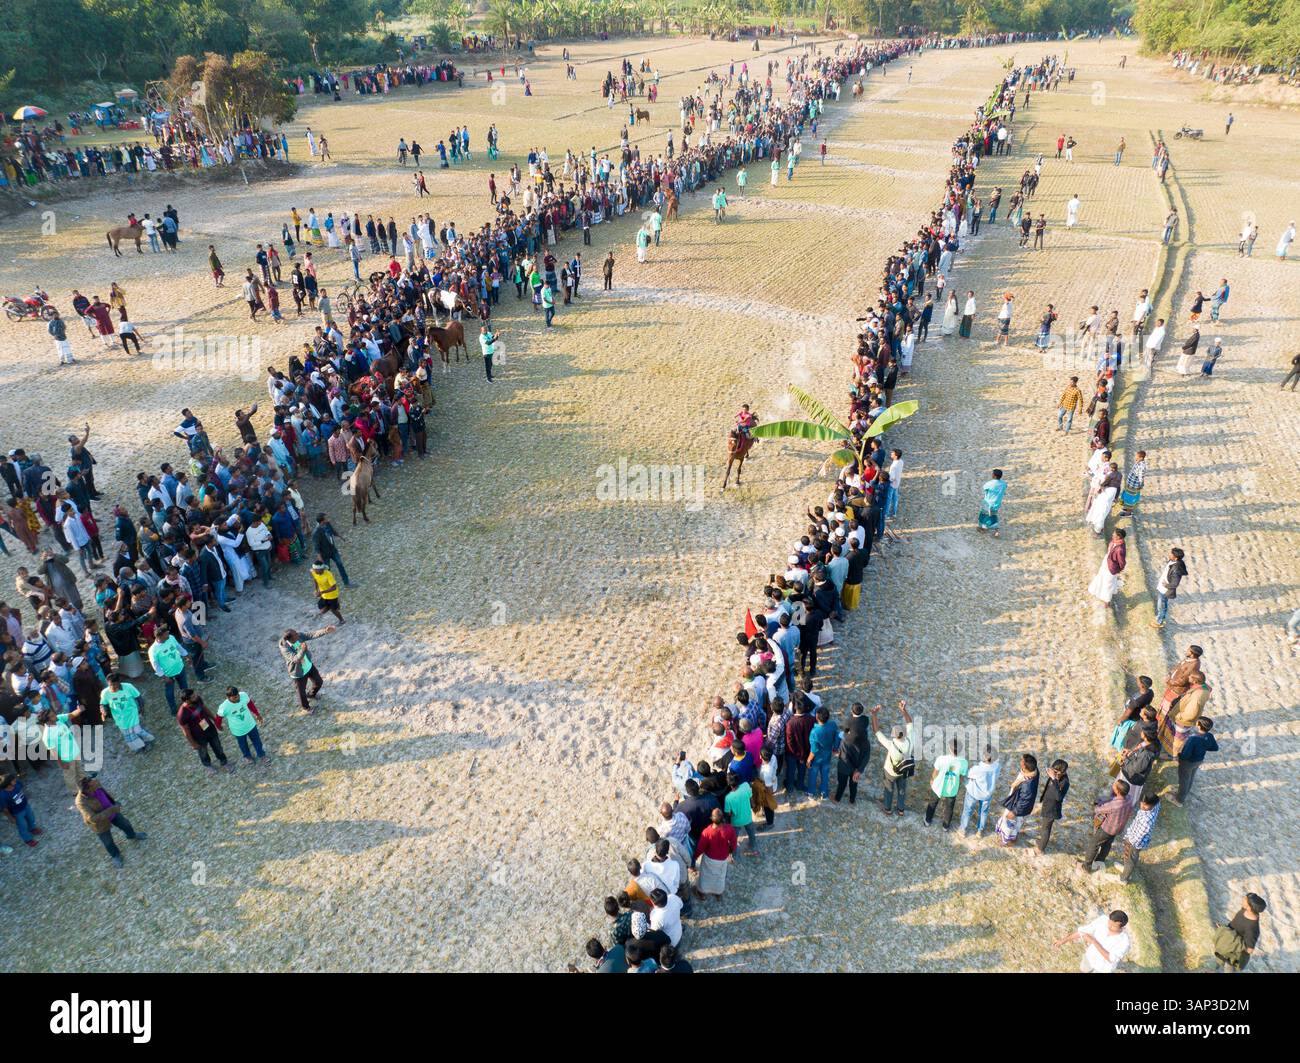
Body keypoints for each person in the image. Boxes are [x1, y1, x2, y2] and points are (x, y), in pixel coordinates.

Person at [76, 775, 147, 867]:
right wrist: (111, 810)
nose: (95, 785)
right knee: (108, 842)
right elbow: (92, 818)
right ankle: (115, 855)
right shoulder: (81, 802)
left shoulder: (95, 782)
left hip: (113, 811)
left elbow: (104, 793)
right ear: (86, 791)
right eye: (92, 787)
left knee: (126, 824)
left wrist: (113, 802)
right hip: (100, 824)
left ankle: (132, 835)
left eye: (93, 783)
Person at [278, 626, 338, 713]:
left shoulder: (299, 636)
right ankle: (306, 708)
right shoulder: (284, 648)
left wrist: (325, 630)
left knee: (319, 682)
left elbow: (311, 634)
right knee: (301, 692)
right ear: (290, 639)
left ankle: (311, 695)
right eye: (295, 635)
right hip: (298, 673)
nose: (298, 635)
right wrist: (302, 649)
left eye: (297, 633)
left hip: (308, 666)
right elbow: (295, 659)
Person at [871, 699, 914, 817]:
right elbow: (910, 723)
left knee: (889, 790)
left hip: (890, 771)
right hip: (904, 769)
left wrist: (874, 715)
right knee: (902, 790)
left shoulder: (891, 745)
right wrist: (903, 710)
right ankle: (900, 809)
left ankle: (887, 808)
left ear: (894, 735)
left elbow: (876, 731)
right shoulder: (910, 740)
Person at [1054, 910, 1132, 973]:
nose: (1109, 927)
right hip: (1089, 957)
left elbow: (1111, 959)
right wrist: (1063, 941)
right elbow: (1083, 932)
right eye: (1109, 923)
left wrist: (1093, 941)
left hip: (1103, 969)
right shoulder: (1103, 920)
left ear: (1122, 927)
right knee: (1083, 970)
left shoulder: (1124, 942)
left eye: (1113, 926)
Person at [1081, 778, 1131, 871]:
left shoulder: (1114, 805)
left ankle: (1086, 866)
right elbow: (1114, 798)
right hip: (1118, 828)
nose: (1113, 785)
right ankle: (1100, 862)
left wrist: (1098, 803)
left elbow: (1098, 810)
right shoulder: (1129, 799)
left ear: (1118, 791)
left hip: (1107, 829)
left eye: (1114, 786)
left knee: (1094, 844)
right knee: (1107, 844)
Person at [692, 807, 736, 902]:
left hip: (709, 858)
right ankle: (718, 893)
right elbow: (733, 844)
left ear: (712, 819)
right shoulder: (729, 829)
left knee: (705, 876)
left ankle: (702, 893)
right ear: (722, 818)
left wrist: (695, 857)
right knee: (720, 876)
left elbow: (701, 847)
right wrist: (730, 852)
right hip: (723, 858)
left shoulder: (707, 832)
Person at [1213, 894, 1267, 972]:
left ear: (1249, 907)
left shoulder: (1252, 928)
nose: (1242, 900)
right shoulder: (1243, 910)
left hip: (1233, 957)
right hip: (1226, 946)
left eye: (1245, 900)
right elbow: (1234, 923)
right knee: (1218, 961)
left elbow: (1249, 950)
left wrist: (1234, 944)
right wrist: (1224, 930)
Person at [924, 738, 968, 830]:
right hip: (951, 789)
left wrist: (932, 780)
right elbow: (961, 776)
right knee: (949, 808)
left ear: (949, 748)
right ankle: (945, 826)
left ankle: (927, 821)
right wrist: (957, 784)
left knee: (932, 804)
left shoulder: (941, 759)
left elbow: (935, 772)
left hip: (938, 786)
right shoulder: (964, 763)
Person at [1173, 717, 1219, 805]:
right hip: (1199, 760)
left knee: (1184, 780)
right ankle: (1185, 792)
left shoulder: (1193, 739)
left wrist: (1178, 756)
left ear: (1199, 725)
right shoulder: (1209, 736)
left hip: (1188, 763)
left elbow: (1185, 755)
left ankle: (1179, 800)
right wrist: (1204, 747)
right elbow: (1215, 748)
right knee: (1190, 777)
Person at [218, 686, 268, 765]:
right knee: (243, 744)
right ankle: (247, 757)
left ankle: (261, 755)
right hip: (238, 730)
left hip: (250, 725)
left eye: (238, 696)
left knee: (257, 741)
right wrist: (218, 726)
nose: (237, 698)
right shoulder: (224, 707)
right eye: (234, 698)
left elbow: (250, 704)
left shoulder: (243, 695)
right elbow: (218, 717)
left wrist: (257, 714)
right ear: (228, 697)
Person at [1117, 792, 1160, 883]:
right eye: (1142, 803)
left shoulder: (1147, 821)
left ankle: (1124, 878)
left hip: (1135, 842)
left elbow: (1140, 836)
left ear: (1153, 805)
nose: (1142, 806)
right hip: (1133, 835)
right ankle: (1126, 870)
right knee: (1128, 856)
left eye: (1146, 805)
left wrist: (1129, 841)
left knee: (1131, 858)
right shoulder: (1155, 805)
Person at [833, 702, 870, 804]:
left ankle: (837, 799)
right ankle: (852, 800)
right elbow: (867, 756)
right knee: (853, 785)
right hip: (857, 767)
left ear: (851, 711)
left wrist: (838, 753)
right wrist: (858, 770)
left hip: (844, 767)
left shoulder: (845, 741)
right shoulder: (866, 742)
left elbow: (844, 756)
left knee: (842, 783)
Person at [960, 746, 1000, 835]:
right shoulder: (997, 766)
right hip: (987, 794)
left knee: (967, 810)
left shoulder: (978, 768)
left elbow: (968, 774)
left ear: (985, 757)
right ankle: (980, 831)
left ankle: (963, 829)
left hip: (974, 793)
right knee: (983, 812)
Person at [1035, 759, 1070, 853]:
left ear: (1062, 772)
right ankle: (1042, 841)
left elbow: (1059, 797)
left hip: (1052, 809)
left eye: (1055, 772)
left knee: (1046, 828)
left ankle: (1040, 849)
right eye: (1052, 770)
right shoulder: (1055, 775)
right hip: (1047, 805)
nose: (1052, 773)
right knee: (1044, 826)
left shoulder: (1065, 782)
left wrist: (1054, 779)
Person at [1153, 547, 1188, 628]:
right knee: (1162, 604)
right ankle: (1160, 618)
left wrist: (1166, 585)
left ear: (1175, 557)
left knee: (1161, 605)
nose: (1169, 554)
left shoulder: (1176, 569)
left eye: (1171, 554)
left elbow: (1175, 583)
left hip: (1165, 589)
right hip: (1163, 587)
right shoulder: (1173, 562)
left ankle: (1159, 621)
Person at [977, 469, 1006, 537]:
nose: (991, 475)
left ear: (994, 476)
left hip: (988, 502)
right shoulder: (1003, 483)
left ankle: (983, 528)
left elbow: (984, 488)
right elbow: (1005, 487)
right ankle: (996, 531)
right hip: (997, 503)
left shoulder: (990, 483)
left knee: (983, 515)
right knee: (993, 516)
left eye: (992, 474)